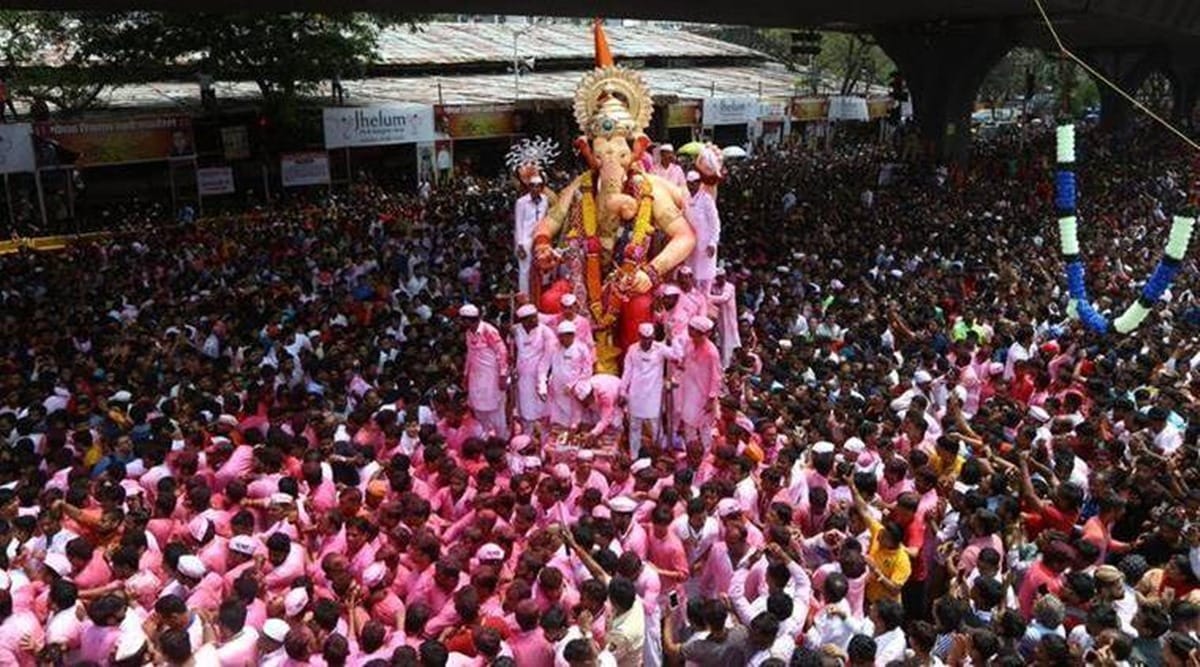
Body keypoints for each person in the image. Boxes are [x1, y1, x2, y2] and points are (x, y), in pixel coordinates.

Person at [620, 323, 682, 455]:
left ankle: (656, 456)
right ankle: (634, 455)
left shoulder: (659, 348)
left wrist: (673, 338)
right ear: (639, 336)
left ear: (653, 337)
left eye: (650, 338)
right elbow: (627, 372)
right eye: (644, 338)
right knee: (635, 427)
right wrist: (622, 391)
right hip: (636, 394)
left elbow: (678, 356)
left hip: (653, 396)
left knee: (656, 428)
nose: (647, 341)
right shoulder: (632, 349)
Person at [460, 303, 510, 439]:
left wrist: (502, 375)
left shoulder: (489, 330)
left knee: (496, 412)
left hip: (491, 377)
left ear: (469, 320)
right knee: (478, 409)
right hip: (476, 377)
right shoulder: (468, 333)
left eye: (463, 320)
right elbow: (470, 355)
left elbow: (502, 352)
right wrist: (465, 375)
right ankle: (485, 438)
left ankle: (501, 439)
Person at [676, 316, 722, 449]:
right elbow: (683, 362)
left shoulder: (711, 352)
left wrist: (711, 399)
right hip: (688, 389)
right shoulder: (689, 344)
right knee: (688, 422)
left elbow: (716, 377)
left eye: (695, 332)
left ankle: (707, 451)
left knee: (704, 426)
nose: (692, 334)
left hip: (703, 393)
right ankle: (691, 450)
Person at [540, 320, 594, 431]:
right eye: (560, 336)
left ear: (572, 335)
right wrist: (542, 384)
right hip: (557, 390)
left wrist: (573, 385)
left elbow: (587, 370)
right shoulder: (554, 347)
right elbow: (544, 366)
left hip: (575, 391)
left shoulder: (582, 348)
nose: (562, 340)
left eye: (564, 337)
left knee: (577, 418)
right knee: (558, 421)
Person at [514, 302, 556, 435]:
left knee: (543, 412)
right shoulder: (516, 330)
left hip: (540, 376)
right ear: (523, 321)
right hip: (523, 378)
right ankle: (527, 439)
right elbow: (513, 351)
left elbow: (549, 357)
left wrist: (542, 378)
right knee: (526, 412)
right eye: (531, 318)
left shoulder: (545, 332)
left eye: (535, 316)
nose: (535, 320)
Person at [686, 171, 721, 291]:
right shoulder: (686, 198)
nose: (691, 186)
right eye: (689, 183)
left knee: (704, 278)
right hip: (691, 244)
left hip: (705, 244)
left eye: (694, 183)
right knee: (690, 275)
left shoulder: (707, 199)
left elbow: (715, 223)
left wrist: (713, 243)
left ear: (699, 184)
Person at [515, 175, 550, 295]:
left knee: (543, 265)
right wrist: (519, 244)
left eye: (538, 186)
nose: (536, 189)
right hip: (525, 238)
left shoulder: (545, 199)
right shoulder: (521, 202)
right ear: (529, 187)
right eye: (533, 186)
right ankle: (524, 296)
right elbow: (518, 223)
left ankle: (541, 293)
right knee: (525, 269)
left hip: (540, 237)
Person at [705, 268, 740, 368]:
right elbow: (708, 289)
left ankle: (727, 365)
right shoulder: (714, 286)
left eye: (723, 277)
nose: (721, 280)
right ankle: (721, 364)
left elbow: (723, 298)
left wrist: (707, 296)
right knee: (720, 340)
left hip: (728, 319)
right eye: (719, 278)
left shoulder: (730, 287)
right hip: (719, 318)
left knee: (728, 341)